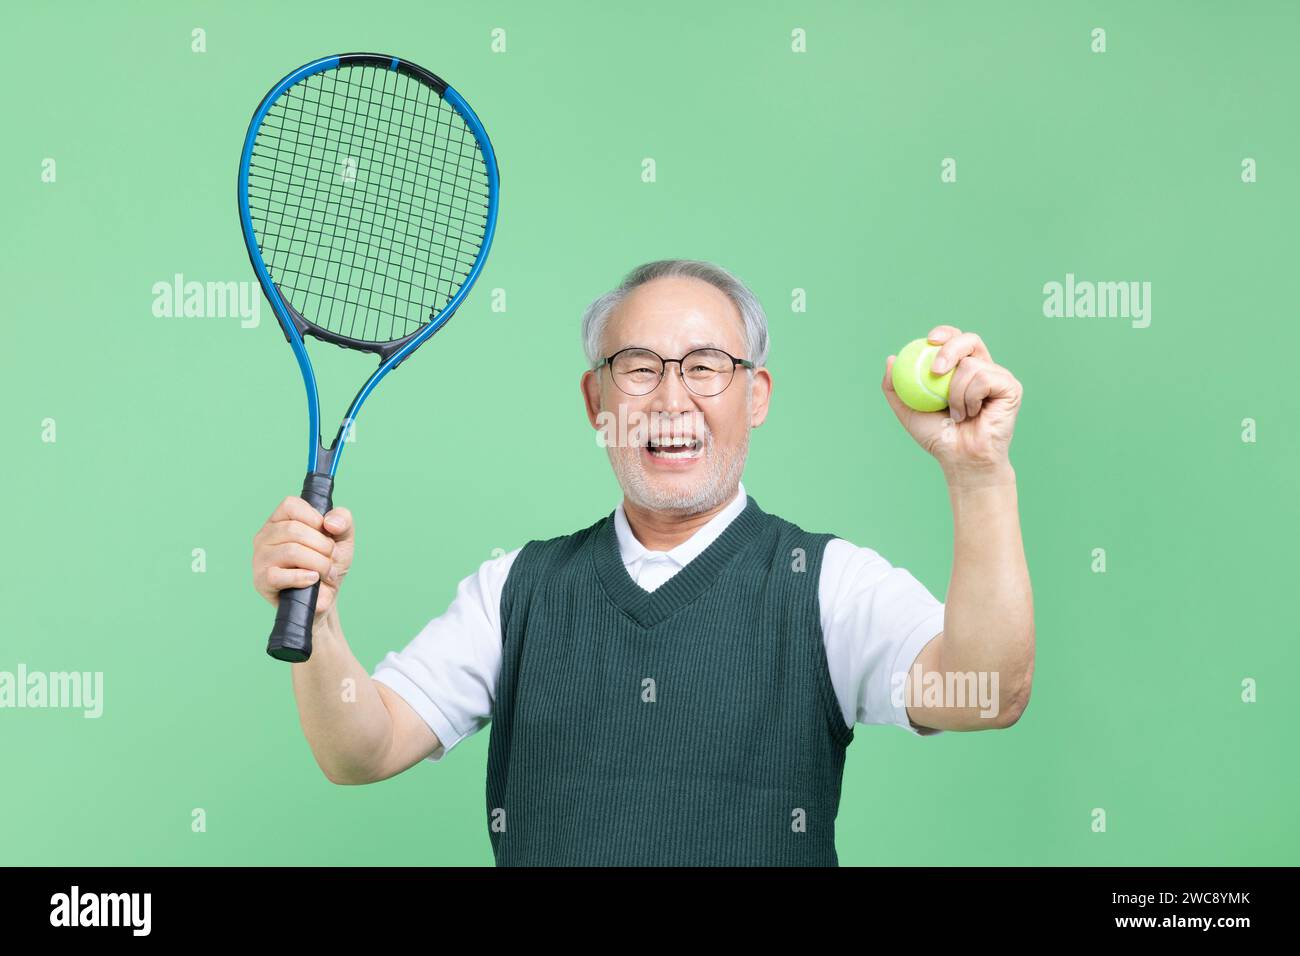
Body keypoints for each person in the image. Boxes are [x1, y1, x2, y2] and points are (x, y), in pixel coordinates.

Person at [251, 258, 1034, 866]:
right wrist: (317, 623)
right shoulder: (516, 591)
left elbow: (990, 692)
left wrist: (977, 475)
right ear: (597, 402)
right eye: (638, 368)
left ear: (755, 395)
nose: (670, 399)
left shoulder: (824, 587)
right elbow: (361, 749)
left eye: (704, 366)